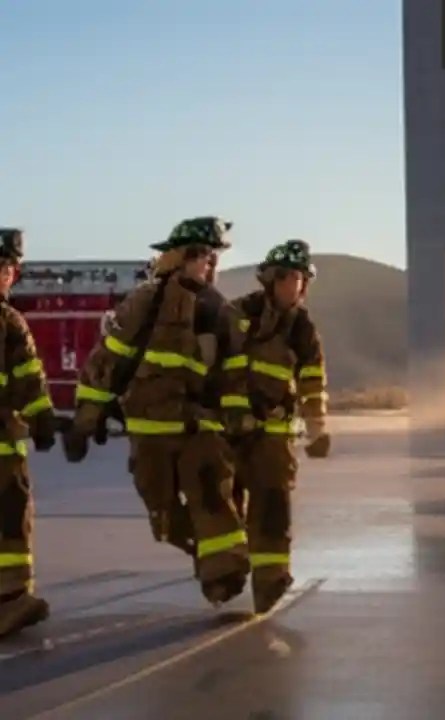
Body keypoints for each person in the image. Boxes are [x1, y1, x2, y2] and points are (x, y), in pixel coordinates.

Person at [64, 217, 254, 607]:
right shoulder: (144, 304)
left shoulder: (220, 312)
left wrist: (240, 423)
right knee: (164, 516)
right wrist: (85, 421)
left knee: (213, 501)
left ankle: (224, 573)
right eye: (202, 255)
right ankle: (207, 554)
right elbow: (107, 361)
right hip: (148, 433)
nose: (210, 264)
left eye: (214, 256)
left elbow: (234, 377)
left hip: (199, 431)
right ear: (178, 257)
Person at [228, 239, 329, 614]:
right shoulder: (239, 314)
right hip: (230, 429)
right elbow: (223, 365)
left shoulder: (302, 328)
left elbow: (312, 380)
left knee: (273, 503)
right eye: (286, 277)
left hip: (273, 433)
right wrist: (235, 413)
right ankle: (226, 568)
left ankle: (270, 578)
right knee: (224, 501)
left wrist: (318, 429)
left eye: (300, 279)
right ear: (269, 280)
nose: (293, 286)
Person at [0, 227, 59, 637]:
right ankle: (10, 599)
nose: (5, 275)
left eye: (8, 268)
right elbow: (28, 379)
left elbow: (27, 378)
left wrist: (41, 418)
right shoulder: (8, 321)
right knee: (9, 512)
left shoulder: (9, 321)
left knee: (11, 512)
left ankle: (12, 598)